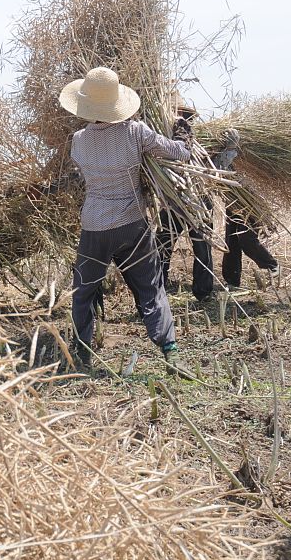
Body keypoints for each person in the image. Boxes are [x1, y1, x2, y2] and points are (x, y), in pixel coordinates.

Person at [60, 67, 192, 375]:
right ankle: (169, 350)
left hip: (93, 226)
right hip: (131, 225)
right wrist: (182, 133)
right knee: (150, 286)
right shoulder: (135, 131)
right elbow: (178, 153)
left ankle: (83, 352)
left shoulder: (78, 141)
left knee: (84, 290)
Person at [155, 100, 216, 303]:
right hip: (173, 200)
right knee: (163, 243)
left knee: (201, 245)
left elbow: (211, 170)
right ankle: (158, 288)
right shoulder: (163, 134)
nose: (180, 117)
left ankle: (203, 291)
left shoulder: (202, 141)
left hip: (198, 197)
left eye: (184, 115)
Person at [212, 128, 279, 287]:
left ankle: (272, 266)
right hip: (233, 201)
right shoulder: (222, 151)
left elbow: (221, 169)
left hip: (249, 201)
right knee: (232, 242)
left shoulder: (241, 154)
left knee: (246, 239)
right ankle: (232, 281)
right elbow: (216, 170)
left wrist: (230, 149)